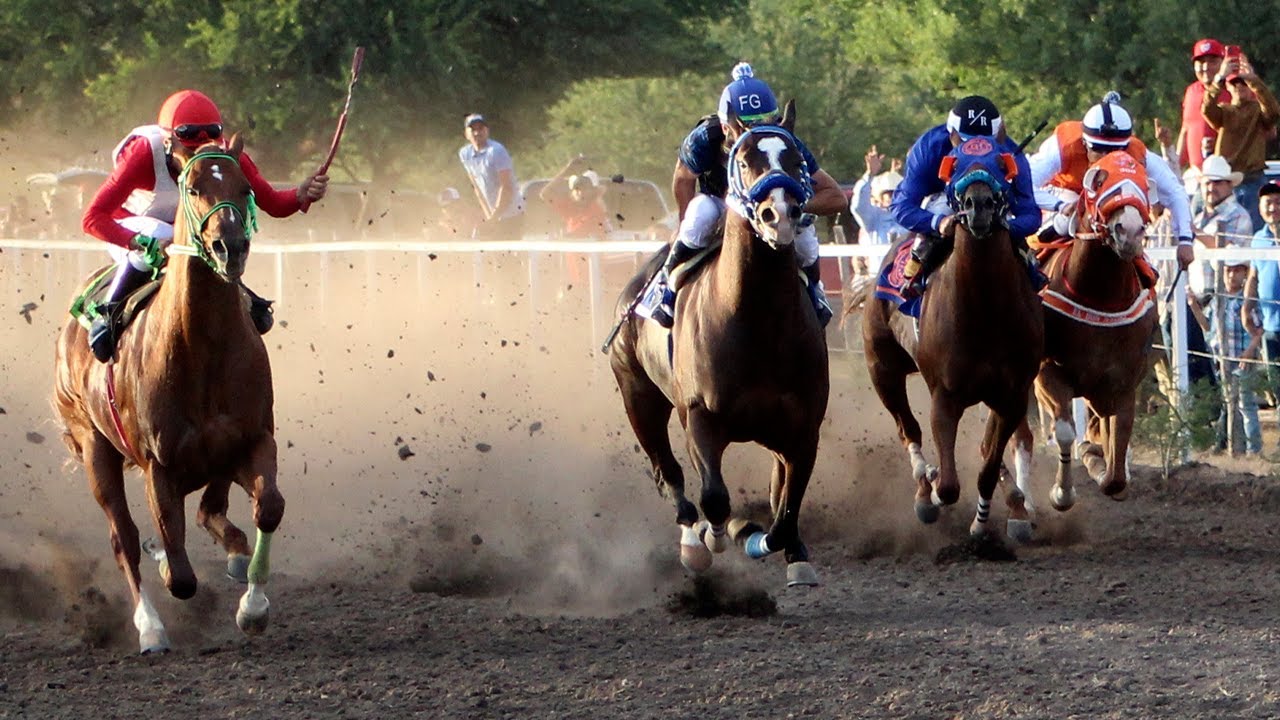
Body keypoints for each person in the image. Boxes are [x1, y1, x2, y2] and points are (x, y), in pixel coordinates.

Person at [81, 89, 329, 362]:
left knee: (216, 235)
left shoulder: (225, 159)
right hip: (133, 226)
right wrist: (140, 243)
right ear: (168, 142)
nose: (200, 153)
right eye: (189, 145)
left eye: (209, 140)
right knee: (162, 233)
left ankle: (243, 295)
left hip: (188, 232)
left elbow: (273, 203)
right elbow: (93, 219)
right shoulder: (142, 154)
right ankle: (110, 311)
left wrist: (301, 194)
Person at [640, 62, 847, 328]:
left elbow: (835, 196)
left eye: (765, 124)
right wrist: (681, 219)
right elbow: (683, 178)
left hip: (770, 207)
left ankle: (814, 291)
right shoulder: (705, 137)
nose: (758, 135)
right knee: (698, 216)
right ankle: (667, 288)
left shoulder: (784, 143)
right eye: (747, 128)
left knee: (806, 238)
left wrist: (795, 206)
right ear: (727, 127)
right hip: (720, 202)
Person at [1029, 92, 1195, 276]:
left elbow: (1175, 192)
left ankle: (1144, 271)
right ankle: (1033, 259)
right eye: (1098, 150)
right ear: (1084, 143)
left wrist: (1185, 240)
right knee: (1069, 218)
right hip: (1066, 193)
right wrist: (1059, 205)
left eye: (1116, 150)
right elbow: (1025, 183)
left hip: (1110, 200)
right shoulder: (1062, 147)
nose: (1107, 158)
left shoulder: (1138, 152)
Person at [892, 95, 1041, 298]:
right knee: (939, 213)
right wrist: (937, 223)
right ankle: (911, 280)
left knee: (1025, 256)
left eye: (985, 145)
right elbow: (901, 206)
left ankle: (1034, 279)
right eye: (966, 143)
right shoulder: (929, 148)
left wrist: (1009, 228)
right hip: (946, 198)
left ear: (999, 135)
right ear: (951, 133)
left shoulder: (1012, 153)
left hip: (994, 201)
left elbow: (1030, 213)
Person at [1201, 54, 1280, 231]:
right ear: (1228, 87)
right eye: (1234, 83)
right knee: (1224, 231)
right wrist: (1219, 78)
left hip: (1253, 179)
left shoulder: (1258, 111)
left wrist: (1254, 80)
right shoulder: (1224, 111)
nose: (1239, 86)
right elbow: (1206, 110)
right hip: (1226, 182)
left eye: (1243, 83)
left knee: (1256, 230)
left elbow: (1274, 113)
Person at [1204, 259, 1263, 455]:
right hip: (1223, 359)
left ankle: (1254, 449)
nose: (1232, 275)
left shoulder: (1247, 300)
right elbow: (1208, 327)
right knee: (1228, 402)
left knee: (1246, 403)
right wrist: (1194, 306)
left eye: (1237, 271)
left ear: (1244, 273)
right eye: (1228, 271)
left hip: (1242, 357)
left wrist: (1249, 352)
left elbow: (1258, 329)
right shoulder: (1217, 300)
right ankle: (1232, 445)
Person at [1243, 180, 1280, 411]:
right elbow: (1253, 276)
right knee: (1276, 386)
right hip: (1271, 326)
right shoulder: (1259, 238)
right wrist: (1246, 306)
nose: (1273, 207)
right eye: (1268, 202)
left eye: (1278, 202)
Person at [458, 113, 524, 240]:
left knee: (508, 254)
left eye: (480, 128)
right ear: (466, 134)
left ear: (487, 131)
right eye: (473, 129)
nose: (477, 133)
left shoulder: (496, 151)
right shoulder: (465, 154)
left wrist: (494, 217)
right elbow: (477, 187)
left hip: (512, 212)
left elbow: (506, 187)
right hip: (493, 214)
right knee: (494, 255)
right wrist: (489, 217)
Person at [1178, 39, 1231, 176]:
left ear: (1223, 63)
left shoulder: (1235, 89)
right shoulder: (1191, 91)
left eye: (1213, 62)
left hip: (1228, 176)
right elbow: (1185, 130)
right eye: (1201, 62)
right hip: (1197, 177)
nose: (1206, 67)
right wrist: (1175, 167)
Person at [538, 155, 612, 239]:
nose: (580, 192)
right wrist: (566, 171)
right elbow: (544, 194)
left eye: (585, 189)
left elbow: (584, 230)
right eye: (577, 189)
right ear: (572, 193)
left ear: (592, 192)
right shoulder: (569, 206)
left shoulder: (596, 209)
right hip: (572, 249)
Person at [850, 146, 907, 246]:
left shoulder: (909, 218)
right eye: (888, 193)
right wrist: (869, 174)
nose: (891, 197)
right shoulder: (874, 218)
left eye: (895, 193)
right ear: (880, 198)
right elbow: (858, 206)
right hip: (879, 261)